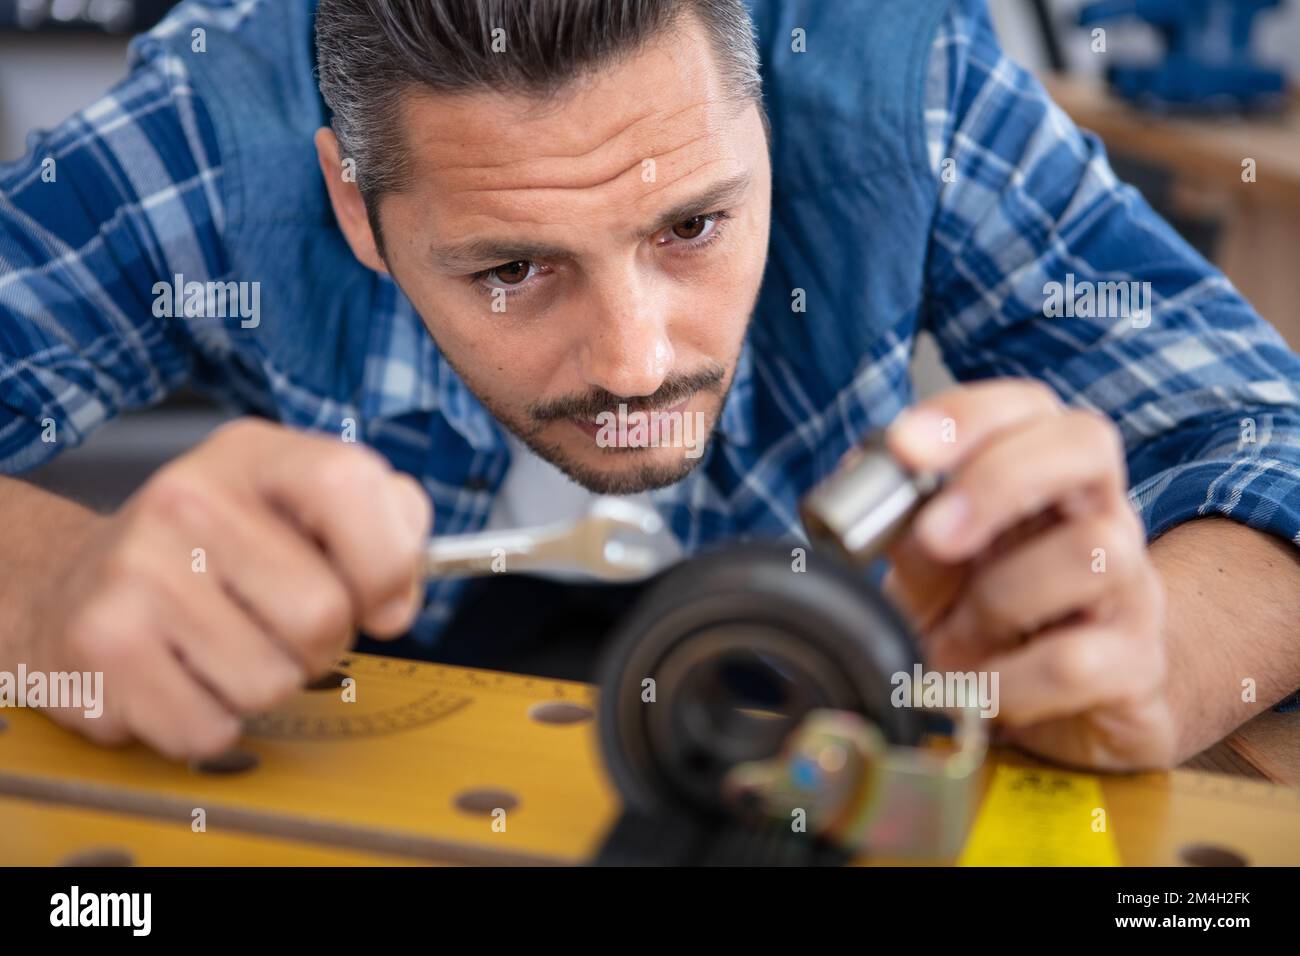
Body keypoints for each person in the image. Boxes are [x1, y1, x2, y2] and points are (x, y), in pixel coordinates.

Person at [2, 0, 1298, 770]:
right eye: (512, 265)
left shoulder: (904, 73)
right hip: (379, 671)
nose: (634, 363)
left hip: (827, 663)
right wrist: (53, 584)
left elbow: (1264, 435)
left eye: (692, 225)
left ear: (767, 119)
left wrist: (1154, 663)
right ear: (351, 198)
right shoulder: (210, 129)